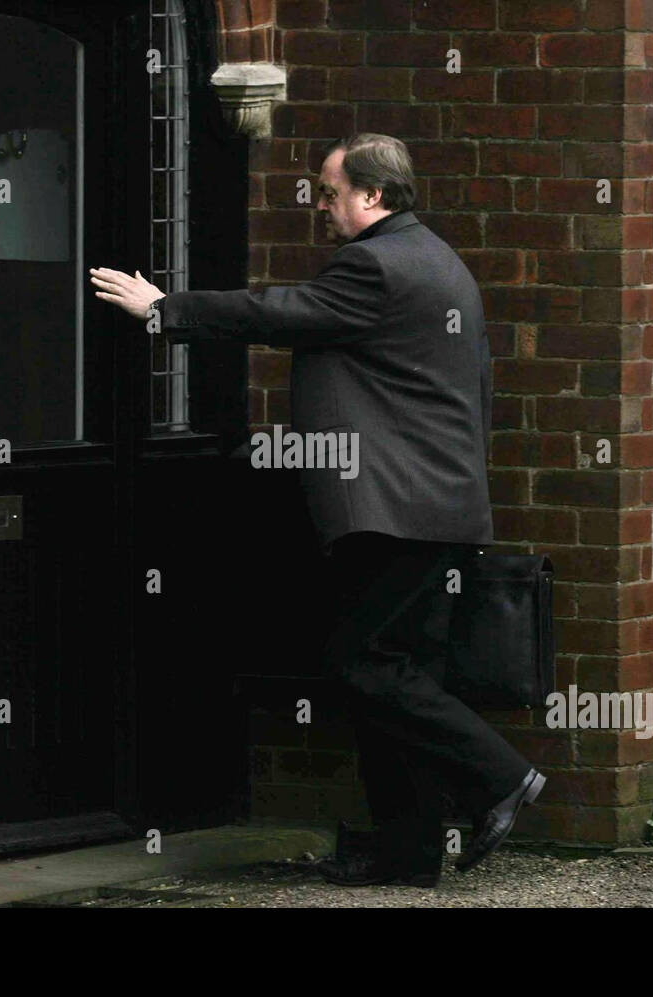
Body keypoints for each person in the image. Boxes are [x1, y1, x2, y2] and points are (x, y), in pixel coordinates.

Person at [90, 132, 544, 888]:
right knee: (396, 678)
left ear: (373, 196)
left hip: (401, 512)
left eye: (330, 193)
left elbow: (278, 312)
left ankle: (501, 777)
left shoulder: (376, 265)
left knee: (364, 666)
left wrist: (165, 309)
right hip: (433, 505)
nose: (321, 206)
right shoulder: (435, 257)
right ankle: (409, 853)